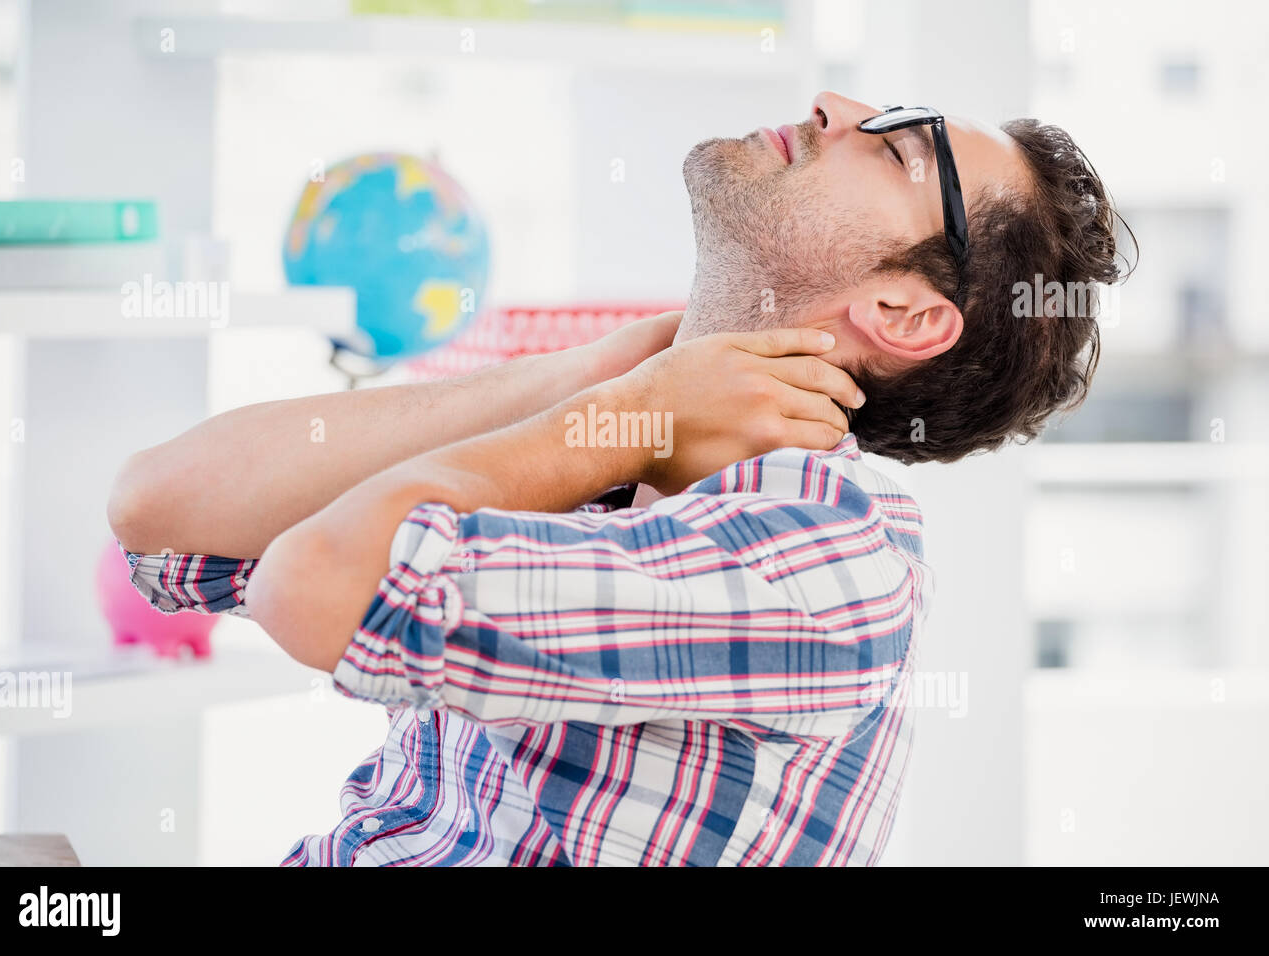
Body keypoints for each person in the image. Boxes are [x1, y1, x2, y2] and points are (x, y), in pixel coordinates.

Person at [107, 92, 1127, 866]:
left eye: (899, 146)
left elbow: (312, 584)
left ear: (905, 313)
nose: (835, 107)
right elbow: (157, 505)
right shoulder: (622, 444)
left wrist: (617, 413)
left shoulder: (829, 551)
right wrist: (602, 378)